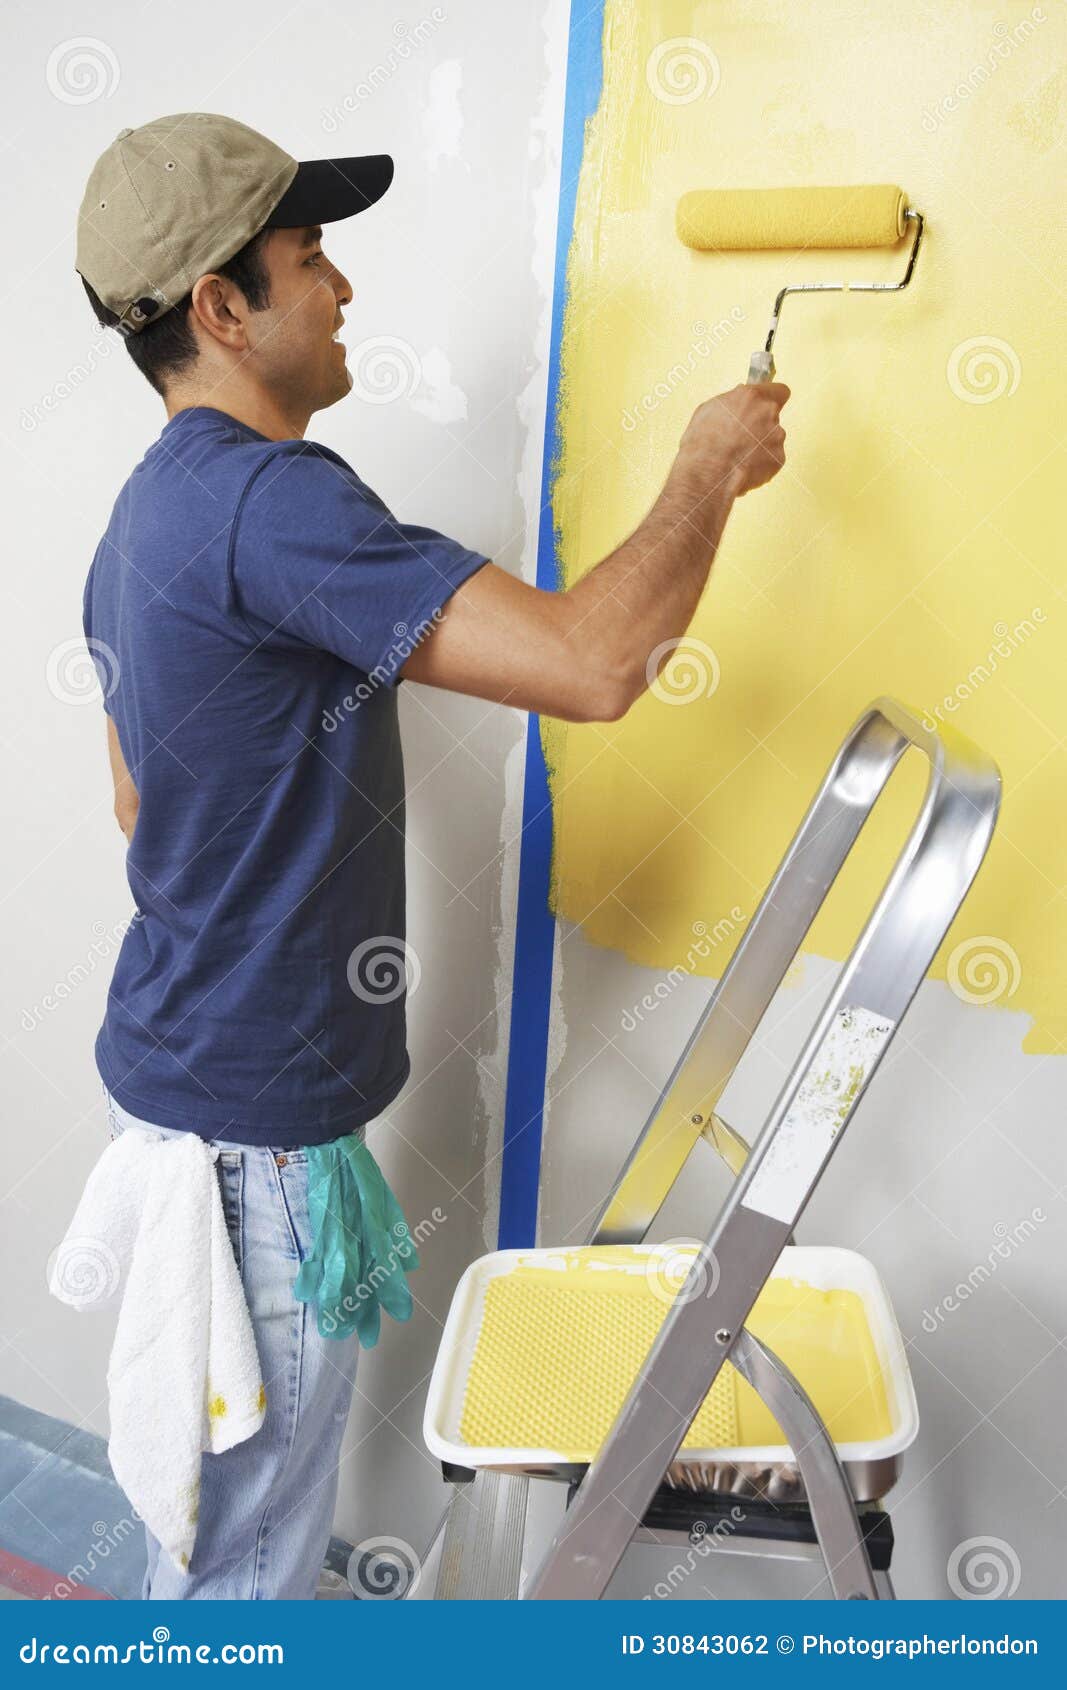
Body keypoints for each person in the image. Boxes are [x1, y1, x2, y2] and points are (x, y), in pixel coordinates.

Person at [76, 111, 789, 1599]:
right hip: (254, 1164)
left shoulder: (144, 517)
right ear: (222, 309)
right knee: (241, 1578)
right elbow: (593, 664)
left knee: (221, 1539)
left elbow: (141, 804)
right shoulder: (271, 502)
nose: (343, 288)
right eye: (308, 258)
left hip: (206, 1111)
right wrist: (707, 469)